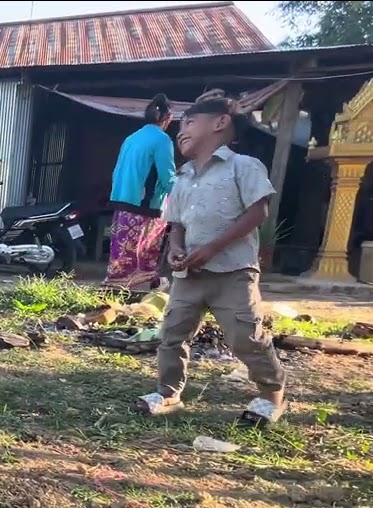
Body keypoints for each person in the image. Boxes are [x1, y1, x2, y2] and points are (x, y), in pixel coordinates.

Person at [135, 90, 287, 426]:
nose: (181, 130)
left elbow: (258, 212)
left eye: (190, 122)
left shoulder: (243, 167)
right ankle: (168, 393)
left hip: (232, 272)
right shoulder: (183, 176)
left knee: (245, 337)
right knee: (172, 334)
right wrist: (175, 248)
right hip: (189, 275)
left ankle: (271, 396)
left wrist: (213, 247)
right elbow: (176, 223)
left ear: (220, 123)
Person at [103, 93, 177, 290]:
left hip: (122, 198)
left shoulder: (131, 138)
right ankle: (141, 285)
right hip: (146, 203)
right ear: (168, 118)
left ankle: (117, 283)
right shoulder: (162, 140)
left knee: (122, 249)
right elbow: (167, 175)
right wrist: (183, 195)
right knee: (145, 248)